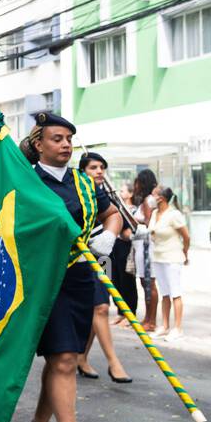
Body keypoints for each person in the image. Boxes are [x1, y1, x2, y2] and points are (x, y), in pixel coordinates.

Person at [22, 113, 121, 422]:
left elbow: (111, 214)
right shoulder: (26, 180)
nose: (65, 145)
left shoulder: (83, 181)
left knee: (62, 356)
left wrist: (109, 235)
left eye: (69, 139)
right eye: (57, 139)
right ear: (39, 144)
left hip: (80, 276)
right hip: (46, 277)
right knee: (64, 358)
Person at [74, 152, 131, 383]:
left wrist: (129, 232)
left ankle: (82, 357)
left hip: (103, 258)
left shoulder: (105, 194)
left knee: (100, 308)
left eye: (102, 168)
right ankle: (112, 362)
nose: (99, 171)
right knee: (95, 309)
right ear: (82, 171)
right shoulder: (75, 191)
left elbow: (121, 225)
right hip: (78, 256)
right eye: (93, 167)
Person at [148, 187, 189, 340]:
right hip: (158, 257)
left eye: (153, 194)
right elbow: (152, 232)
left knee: (175, 293)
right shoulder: (154, 213)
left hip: (173, 257)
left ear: (162, 198)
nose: (151, 197)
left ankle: (178, 328)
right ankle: (164, 326)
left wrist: (185, 253)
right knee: (165, 293)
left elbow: (186, 236)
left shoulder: (174, 215)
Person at [128, 170, 159, 332]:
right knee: (144, 281)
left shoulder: (148, 201)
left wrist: (134, 219)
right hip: (141, 245)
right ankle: (147, 317)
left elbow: (149, 223)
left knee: (149, 282)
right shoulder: (146, 201)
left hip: (147, 245)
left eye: (138, 182)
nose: (136, 186)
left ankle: (151, 320)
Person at [108, 181, 139, 327]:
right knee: (116, 279)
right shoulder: (117, 208)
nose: (121, 193)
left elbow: (131, 230)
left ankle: (130, 313)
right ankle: (121, 312)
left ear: (131, 194)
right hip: (115, 246)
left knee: (128, 281)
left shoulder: (133, 211)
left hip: (127, 247)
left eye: (124, 191)